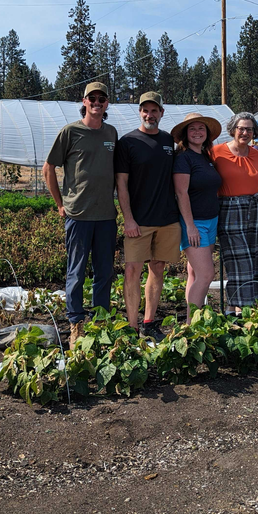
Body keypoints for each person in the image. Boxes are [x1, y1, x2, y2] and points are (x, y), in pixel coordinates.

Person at [42, 81, 118, 349]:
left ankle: (99, 322)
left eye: (102, 99)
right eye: (92, 98)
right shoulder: (70, 132)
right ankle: (75, 324)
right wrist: (60, 204)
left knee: (104, 272)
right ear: (84, 101)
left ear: (107, 103)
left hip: (107, 216)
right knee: (76, 272)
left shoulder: (111, 133)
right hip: (78, 216)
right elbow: (48, 167)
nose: (97, 102)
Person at [115, 91, 180, 340]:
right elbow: (121, 184)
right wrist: (128, 219)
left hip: (167, 219)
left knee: (158, 267)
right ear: (139, 112)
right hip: (139, 222)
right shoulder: (128, 142)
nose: (149, 115)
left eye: (154, 110)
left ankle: (149, 322)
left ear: (161, 113)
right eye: (145, 110)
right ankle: (132, 327)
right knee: (132, 270)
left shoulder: (168, 141)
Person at [171, 113, 223, 324]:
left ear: (207, 134)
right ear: (185, 133)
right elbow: (181, 193)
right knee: (206, 274)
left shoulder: (205, 156)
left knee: (194, 272)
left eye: (201, 128)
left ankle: (194, 320)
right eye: (192, 129)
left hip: (211, 221)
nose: (197, 132)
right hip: (195, 223)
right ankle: (193, 324)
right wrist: (190, 226)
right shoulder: (183, 158)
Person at [211, 112, 258, 313]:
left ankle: (247, 311)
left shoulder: (256, 153)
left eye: (249, 129)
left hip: (255, 208)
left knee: (255, 259)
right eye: (241, 128)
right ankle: (234, 309)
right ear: (233, 129)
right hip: (230, 208)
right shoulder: (217, 152)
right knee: (238, 262)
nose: (245, 132)